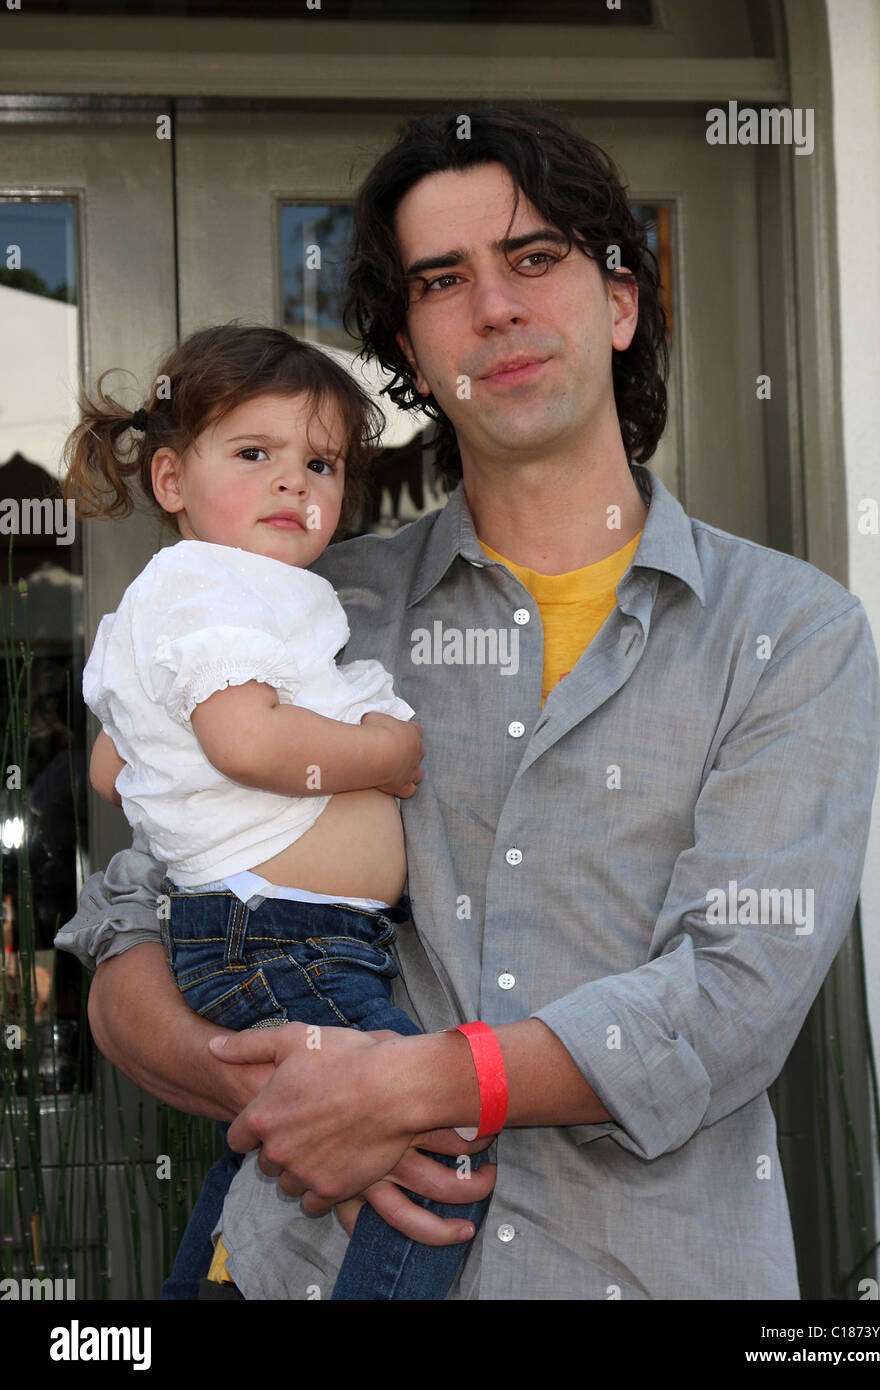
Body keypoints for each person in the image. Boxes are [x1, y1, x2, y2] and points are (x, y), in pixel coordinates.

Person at [57, 105, 880, 1300]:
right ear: (410, 347)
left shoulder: (792, 632)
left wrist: (425, 1084)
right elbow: (133, 930)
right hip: (298, 1263)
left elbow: (732, 995)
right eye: (443, 281)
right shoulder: (305, 611)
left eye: (534, 259)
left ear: (620, 301)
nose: (494, 307)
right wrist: (265, 1080)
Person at [60, 323, 494, 1300]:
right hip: (281, 934)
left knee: (274, 1152)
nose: (294, 483)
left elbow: (109, 765)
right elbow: (245, 742)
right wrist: (382, 753)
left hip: (264, 932)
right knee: (438, 1156)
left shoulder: (193, 598)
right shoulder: (214, 586)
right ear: (171, 481)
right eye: (255, 455)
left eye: (322, 462)